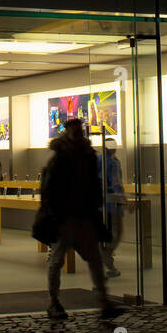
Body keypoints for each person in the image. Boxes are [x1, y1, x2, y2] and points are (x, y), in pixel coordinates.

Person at [35, 118, 124, 320]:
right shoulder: (80, 156)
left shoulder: (81, 156)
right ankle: (57, 301)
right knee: (67, 260)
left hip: (79, 216)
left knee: (85, 259)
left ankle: (96, 300)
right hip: (68, 217)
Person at [99, 138, 125, 278]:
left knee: (103, 235)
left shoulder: (98, 160)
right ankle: (107, 257)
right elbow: (116, 183)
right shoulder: (113, 162)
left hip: (99, 203)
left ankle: (107, 262)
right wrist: (123, 198)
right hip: (112, 202)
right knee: (117, 232)